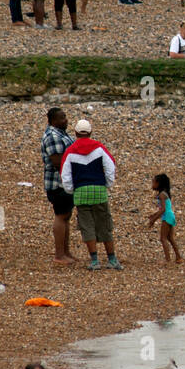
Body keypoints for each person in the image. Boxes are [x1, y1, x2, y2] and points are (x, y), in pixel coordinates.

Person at [60, 118, 122, 270]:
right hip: (99, 190)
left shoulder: (70, 151)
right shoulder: (99, 148)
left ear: (75, 133)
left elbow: (65, 175)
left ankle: (94, 261)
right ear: (90, 132)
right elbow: (110, 167)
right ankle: (112, 259)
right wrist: (107, 184)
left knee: (87, 226)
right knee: (104, 225)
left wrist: (72, 190)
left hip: (81, 193)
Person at [41, 107, 76, 265]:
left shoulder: (61, 134)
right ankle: (59, 254)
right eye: (62, 118)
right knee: (61, 216)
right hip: (58, 183)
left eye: (65, 117)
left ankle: (66, 252)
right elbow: (57, 161)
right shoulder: (53, 136)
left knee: (66, 216)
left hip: (66, 183)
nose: (65, 120)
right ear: (52, 121)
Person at [147, 173, 181, 263]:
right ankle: (178, 257)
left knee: (163, 238)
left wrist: (153, 220)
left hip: (167, 217)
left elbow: (163, 210)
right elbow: (164, 208)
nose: (152, 184)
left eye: (153, 182)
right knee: (170, 238)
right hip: (170, 216)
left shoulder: (162, 195)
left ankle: (168, 260)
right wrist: (154, 215)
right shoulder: (165, 193)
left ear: (158, 183)